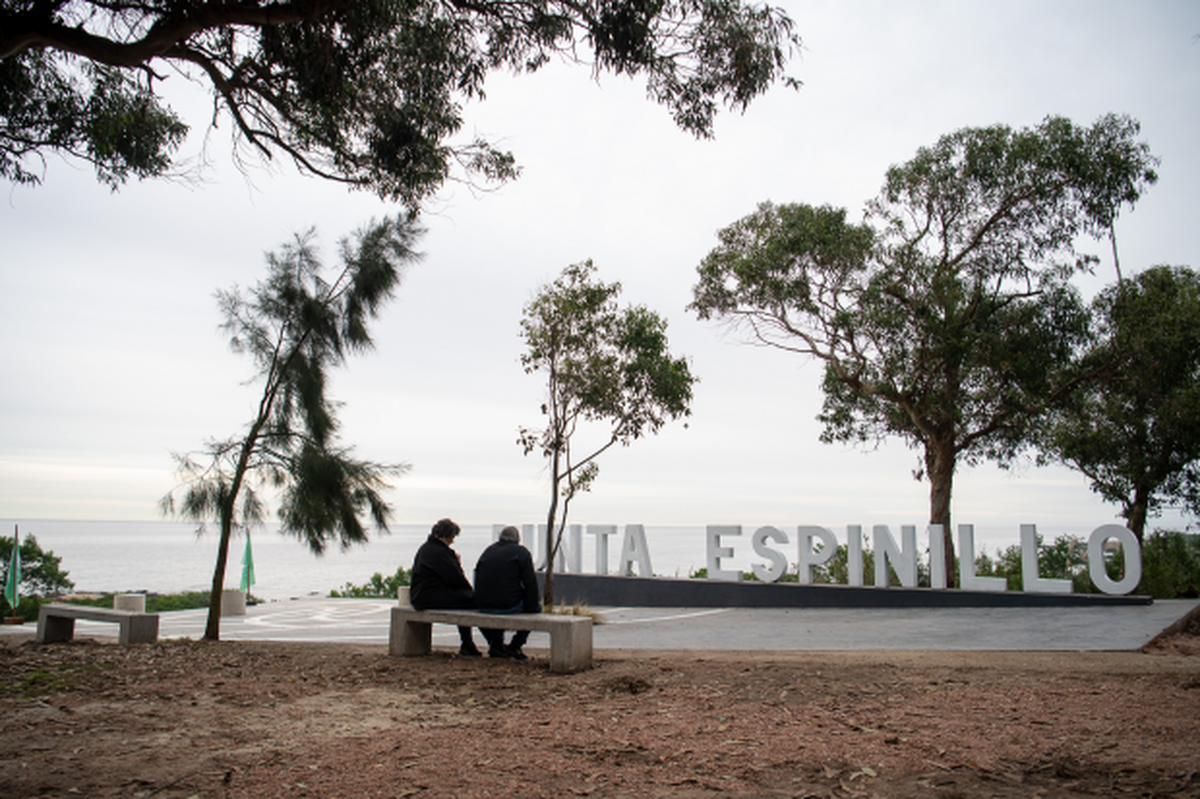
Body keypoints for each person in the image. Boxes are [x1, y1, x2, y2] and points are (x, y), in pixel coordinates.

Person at [409, 518, 484, 657]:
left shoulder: (427, 548)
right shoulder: (440, 552)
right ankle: (483, 643)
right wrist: (457, 563)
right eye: (452, 537)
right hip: (429, 597)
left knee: (466, 599)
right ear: (445, 536)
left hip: (421, 596)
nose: (453, 541)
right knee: (474, 600)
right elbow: (456, 579)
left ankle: (468, 643)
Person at [474, 525, 541, 660]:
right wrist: (532, 605)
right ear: (517, 539)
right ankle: (515, 645)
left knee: (499, 599)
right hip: (508, 605)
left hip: (483, 605)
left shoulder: (488, 551)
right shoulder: (521, 552)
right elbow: (530, 582)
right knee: (535, 607)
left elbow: (477, 576)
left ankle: (496, 645)